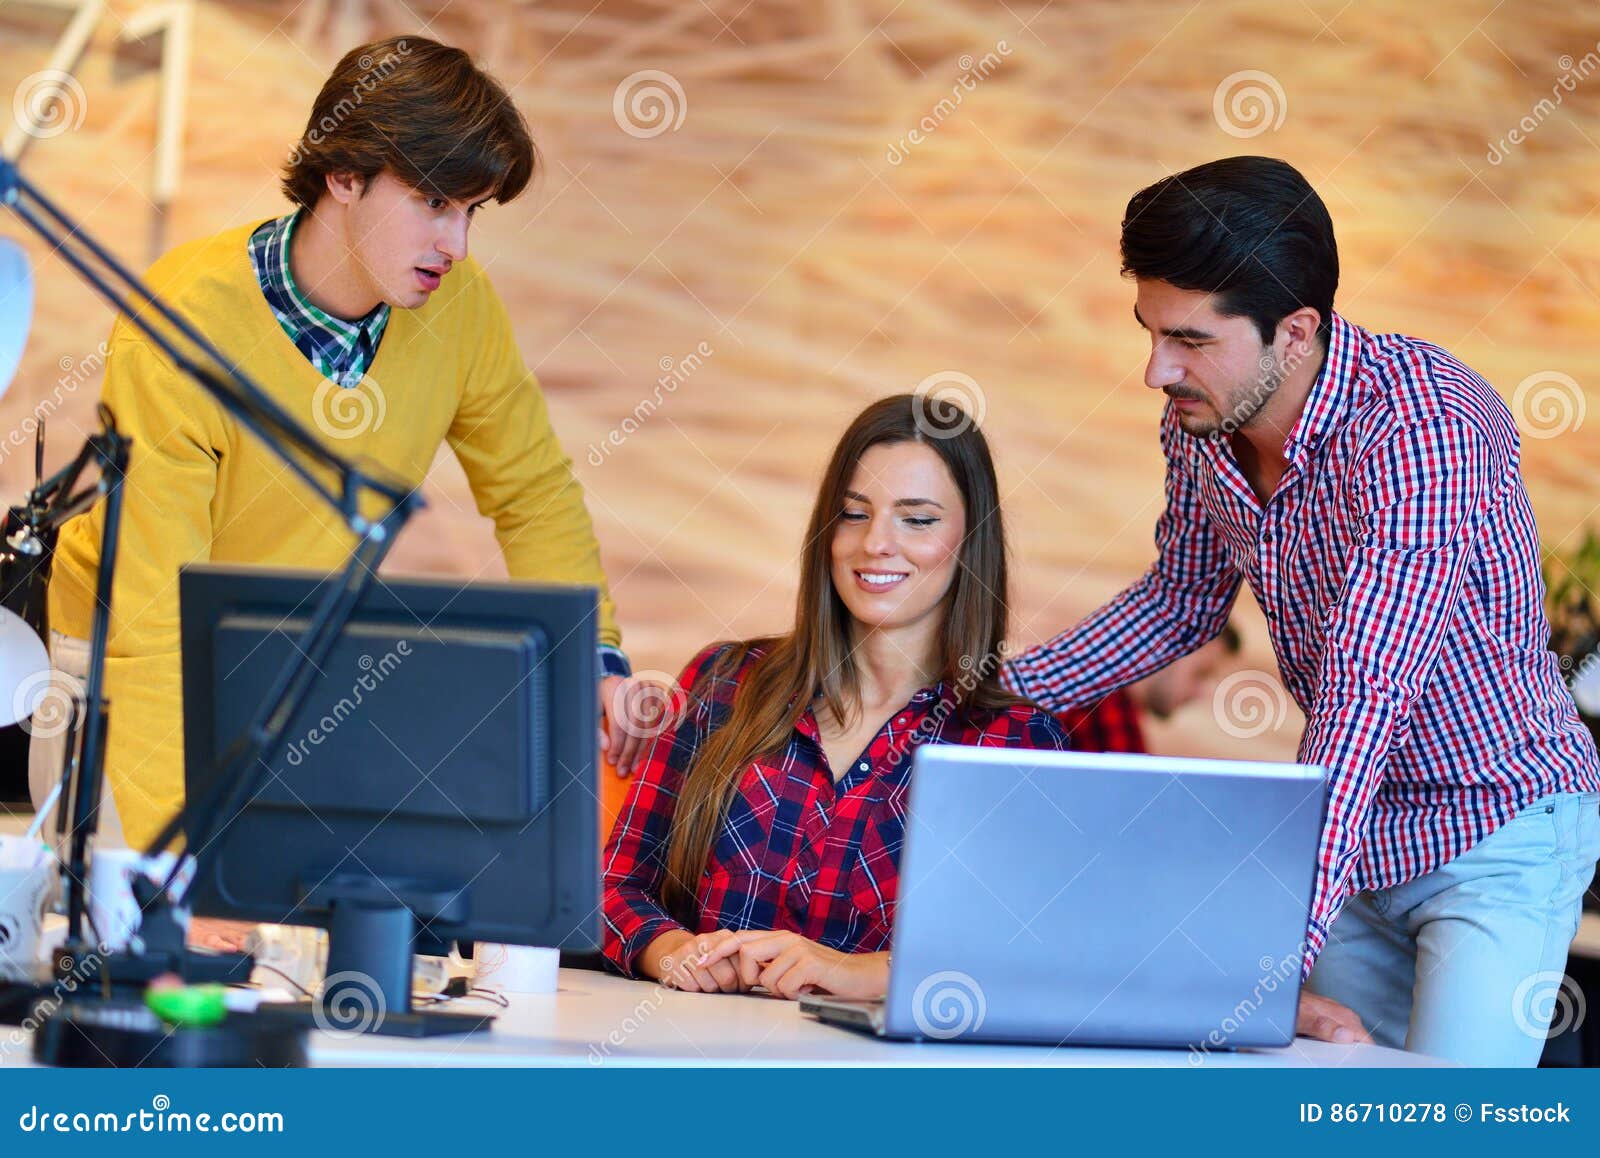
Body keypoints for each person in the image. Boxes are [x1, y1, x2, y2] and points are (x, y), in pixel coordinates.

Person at [30, 37, 658, 927]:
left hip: (288, 664)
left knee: (284, 952)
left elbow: (534, 491)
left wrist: (595, 657)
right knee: (131, 951)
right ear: (344, 176)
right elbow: (154, 622)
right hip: (120, 661)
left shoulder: (459, 309)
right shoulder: (186, 318)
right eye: (434, 202)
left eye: (473, 211)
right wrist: (184, 874)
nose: (456, 243)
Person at [1006, 155, 1600, 1064]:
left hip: (1498, 829)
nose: (1156, 370)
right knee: (1332, 1120)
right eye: (1151, 331)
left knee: (1450, 1127)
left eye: (1191, 340)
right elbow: (1179, 602)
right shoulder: (1201, 421)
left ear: (1296, 329)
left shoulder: (1424, 426)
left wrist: (1268, 940)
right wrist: (994, 688)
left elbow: (1367, 689)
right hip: (1361, 842)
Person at [602, 394, 1070, 999]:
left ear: (970, 539)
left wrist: (851, 972)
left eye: (918, 519)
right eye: (854, 513)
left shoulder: (1017, 745)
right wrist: (674, 954)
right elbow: (616, 885)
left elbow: (1024, 960)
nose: (876, 543)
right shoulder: (723, 681)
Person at [1057, 620, 1241, 752]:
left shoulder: (1114, 710)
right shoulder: (1102, 713)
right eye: (1200, 673)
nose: (1202, 692)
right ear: (1165, 651)